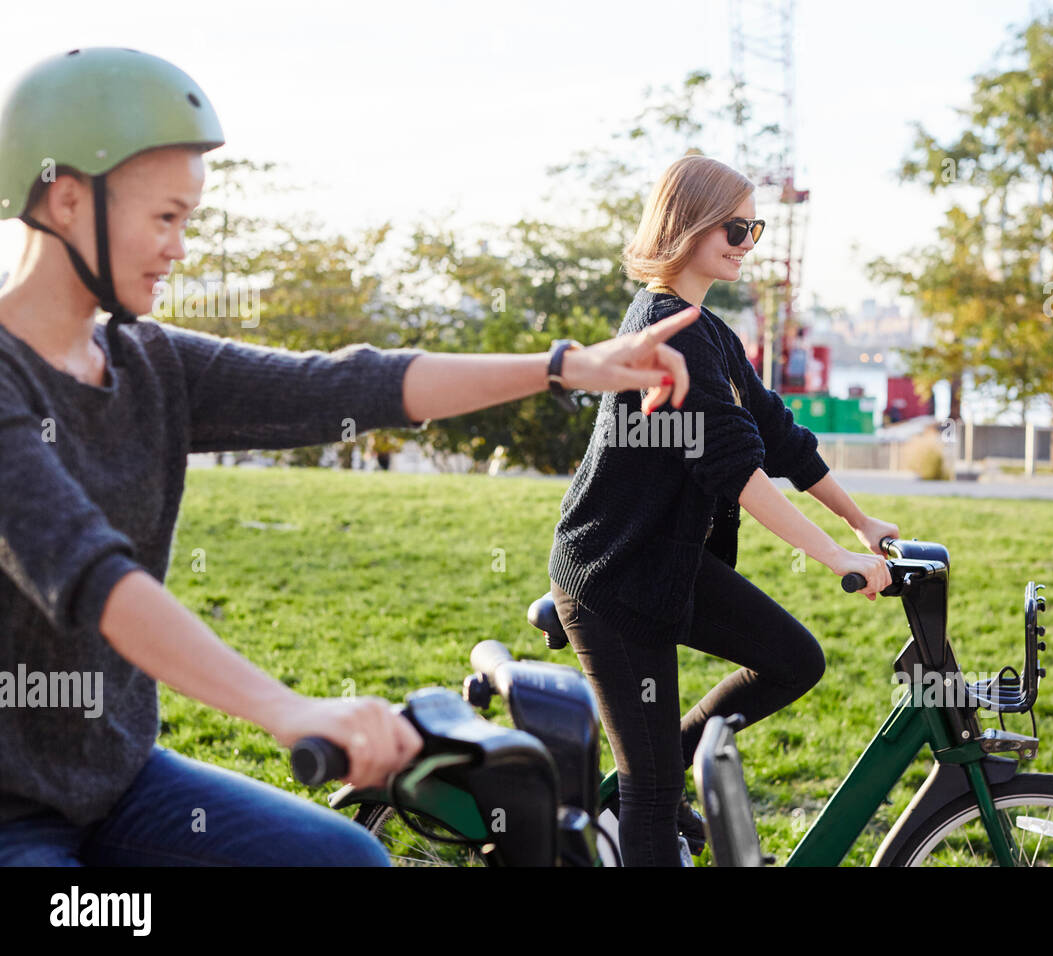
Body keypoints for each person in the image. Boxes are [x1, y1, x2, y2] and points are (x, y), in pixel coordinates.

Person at [0, 47, 698, 866]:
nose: (181, 248)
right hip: (13, 815)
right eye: (165, 218)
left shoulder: (148, 362)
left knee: (347, 861)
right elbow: (93, 577)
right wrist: (286, 709)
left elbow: (347, 385)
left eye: (189, 220)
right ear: (68, 196)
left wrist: (564, 368)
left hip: (119, 782)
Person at [547, 155, 900, 866]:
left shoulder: (706, 330)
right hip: (615, 578)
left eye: (754, 227)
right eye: (735, 227)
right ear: (690, 225)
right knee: (651, 790)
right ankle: (643, 784)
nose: (747, 241)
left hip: (665, 565)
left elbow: (779, 439)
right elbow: (734, 467)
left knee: (793, 660)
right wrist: (835, 558)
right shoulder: (664, 327)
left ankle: (655, 762)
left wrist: (860, 521)